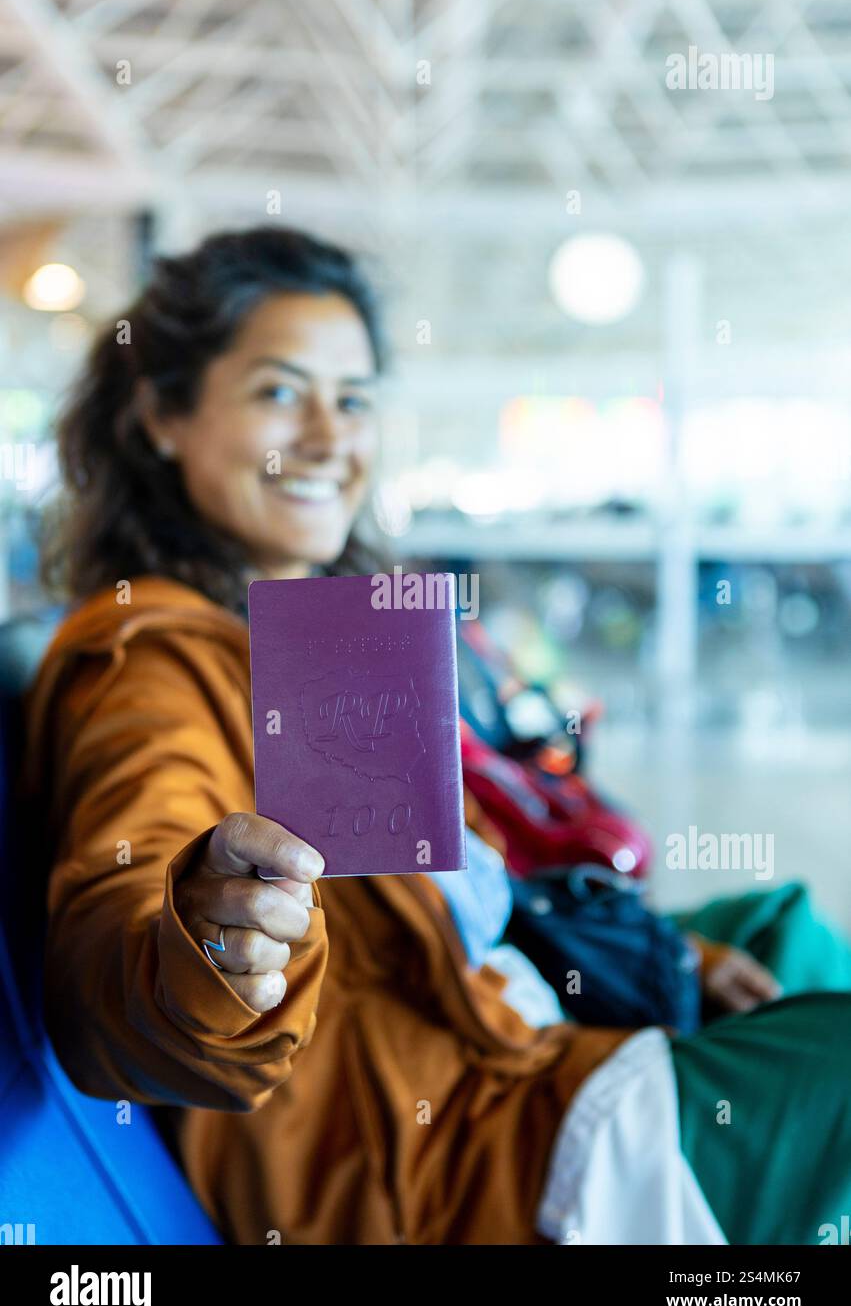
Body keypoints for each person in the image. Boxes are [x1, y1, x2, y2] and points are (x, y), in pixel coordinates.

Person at [26, 226, 851, 1245]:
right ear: (161, 415)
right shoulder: (146, 656)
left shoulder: (314, 630)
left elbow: (453, 904)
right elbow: (124, 926)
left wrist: (665, 953)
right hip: (438, 1158)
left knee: (782, 927)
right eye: (280, 392)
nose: (330, 437)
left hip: (503, 1034)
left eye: (354, 397)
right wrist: (210, 949)